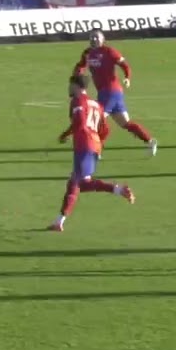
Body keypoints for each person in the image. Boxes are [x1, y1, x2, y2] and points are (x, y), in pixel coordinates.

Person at [49, 75, 134, 232]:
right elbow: (106, 130)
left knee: (81, 183)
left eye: (70, 85)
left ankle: (118, 189)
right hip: (93, 146)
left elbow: (80, 123)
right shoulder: (96, 104)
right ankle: (59, 222)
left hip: (84, 146)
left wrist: (66, 134)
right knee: (74, 183)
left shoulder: (77, 101)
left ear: (76, 86)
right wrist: (98, 145)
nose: (68, 88)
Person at [72, 30, 157, 156]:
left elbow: (125, 65)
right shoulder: (88, 53)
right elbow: (81, 65)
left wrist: (127, 77)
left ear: (103, 39)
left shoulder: (109, 52)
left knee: (96, 120)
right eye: (91, 37)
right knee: (125, 123)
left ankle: (96, 150)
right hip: (110, 93)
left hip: (110, 91)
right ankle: (150, 141)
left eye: (96, 37)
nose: (93, 39)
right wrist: (78, 73)